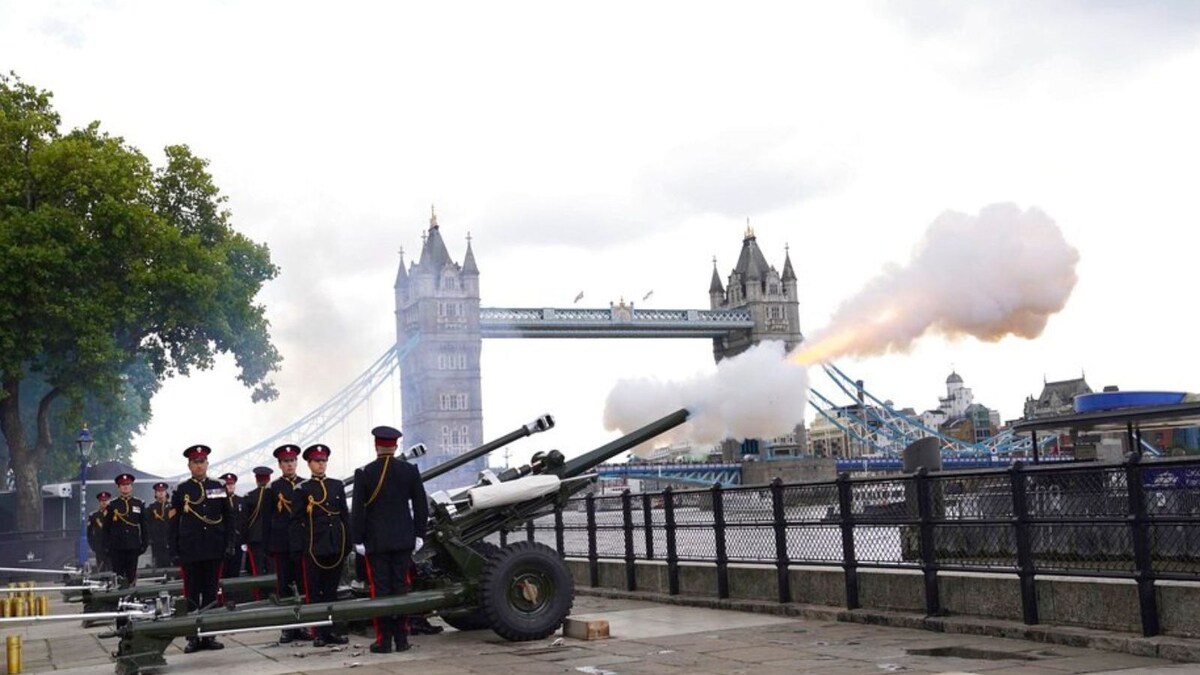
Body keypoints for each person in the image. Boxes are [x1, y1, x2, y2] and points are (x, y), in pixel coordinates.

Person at [351, 425, 428, 653]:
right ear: (395, 446)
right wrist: (419, 534)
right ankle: (402, 640)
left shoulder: (364, 473)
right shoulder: (410, 471)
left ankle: (384, 641)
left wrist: (358, 540)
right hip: (404, 540)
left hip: (375, 543)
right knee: (401, 588)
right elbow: (421, 506)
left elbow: (358, 511)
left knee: (380, 591)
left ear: (376, 445)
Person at [168, 444, 234, 653]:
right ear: (189, 465)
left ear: (207, 463)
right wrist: (173, 549)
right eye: (195, 462)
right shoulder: (181, 489)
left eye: (202, 462)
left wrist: (229, 543)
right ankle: (193, 637)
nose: (199, 466)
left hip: (214, 546)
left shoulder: (218, 485)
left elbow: (229, 517)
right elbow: (172, 521)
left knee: (211, 592)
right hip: (191, 549)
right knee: (192, 593)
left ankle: (209, 635)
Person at [292, 443, 350, 647]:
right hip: (314, 547)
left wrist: (347, 543)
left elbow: (344, 515)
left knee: (332, 591)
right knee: (315, 593)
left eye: (324, 461)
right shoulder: (303, 489)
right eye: (317, 461)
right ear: (309, 464)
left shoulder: (336, 485)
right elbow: (297, 521)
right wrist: (303, 547)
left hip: (335, 545)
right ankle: (319, 632)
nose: (321, 465)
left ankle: (331, 630)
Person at [263, 444, 306, 644]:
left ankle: (303, 624)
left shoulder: (305, 485)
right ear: (280, 465)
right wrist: (268, 547)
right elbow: (266, 519)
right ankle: (288, 627)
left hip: (302, 543)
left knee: (303, 584)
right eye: (286, 462)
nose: (290, 465)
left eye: (292, 461)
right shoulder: (273, 488)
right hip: (281, 544)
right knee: (284, 587)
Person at [104, 473, 147, 587]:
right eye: (123, 485)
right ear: (118, 487)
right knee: (118, 576)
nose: (125, 487)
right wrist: (107, 546)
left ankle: (131, 600)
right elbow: (106, 528)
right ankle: (119, 600)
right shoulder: (112, 505)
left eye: (128, 484)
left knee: (131, 575)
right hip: (117, 547)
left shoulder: (139, 504)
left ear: (131, 486)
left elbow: (144, 526)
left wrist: (144, 544)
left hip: (133, 546)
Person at [242, 466, 274, 578]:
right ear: (269, 479)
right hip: (273, 537)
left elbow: (244, 520)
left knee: (257, 570)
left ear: (256, 479)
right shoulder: (275, 494)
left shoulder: (249, 496)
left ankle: (259, 594)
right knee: (273, 570)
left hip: (255, 538)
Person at [219, 472, 245, 578]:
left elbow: (244, 520)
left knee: (235, 570)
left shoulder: (241, 501)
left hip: (237, 541)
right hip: (222, 541)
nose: (230, 486)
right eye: (227, 484)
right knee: (222, 572)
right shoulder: (218, 501)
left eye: (232, 484)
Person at [145, 482, 172, 568]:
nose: (161, 493)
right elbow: (147, 524)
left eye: (163, 491)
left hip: (169, 538)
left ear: (166, 492)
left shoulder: (172, 506)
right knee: (158, 560)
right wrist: (149, 538)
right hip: (157, 539)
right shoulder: (151, 508)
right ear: (155, 493)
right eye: (158, 491)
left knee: (171, 559)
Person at [86, 491, 112, 572]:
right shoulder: (94, 516)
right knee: (101, 568)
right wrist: (93, 546)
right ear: (99, 502)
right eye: (102, 501)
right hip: (100, 546)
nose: (104, 503)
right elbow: (89, 533)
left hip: (112, 546)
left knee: (112, 567)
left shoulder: (114, 514)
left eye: (105, 501)